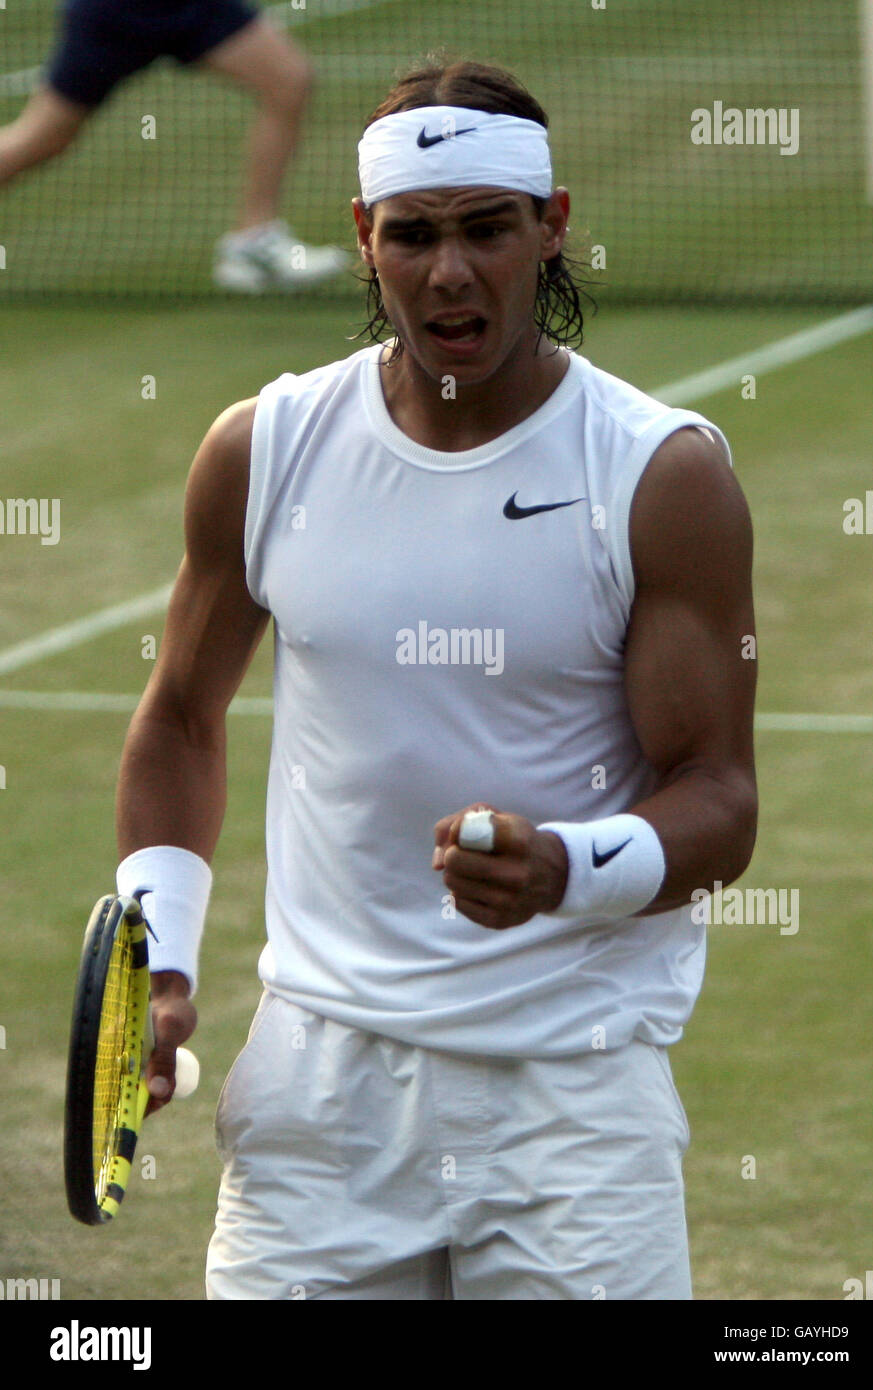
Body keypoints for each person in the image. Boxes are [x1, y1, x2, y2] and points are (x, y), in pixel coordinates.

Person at [113, 58, 758, 1299]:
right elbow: (179, 720)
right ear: (363, 239)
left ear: (551, 226)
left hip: (571, 1102)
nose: (448, 272)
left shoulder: (661, 477)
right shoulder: (264, 450)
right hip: (318, 1095)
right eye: (411, 235)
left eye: (485, 231)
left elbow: (718, 802)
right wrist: (167, 958)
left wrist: (565, 866)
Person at [0, 0, 348, 289]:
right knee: (43, 139)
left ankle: (252, 241)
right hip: (116, 12)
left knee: (288, 79)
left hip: (191, 6)